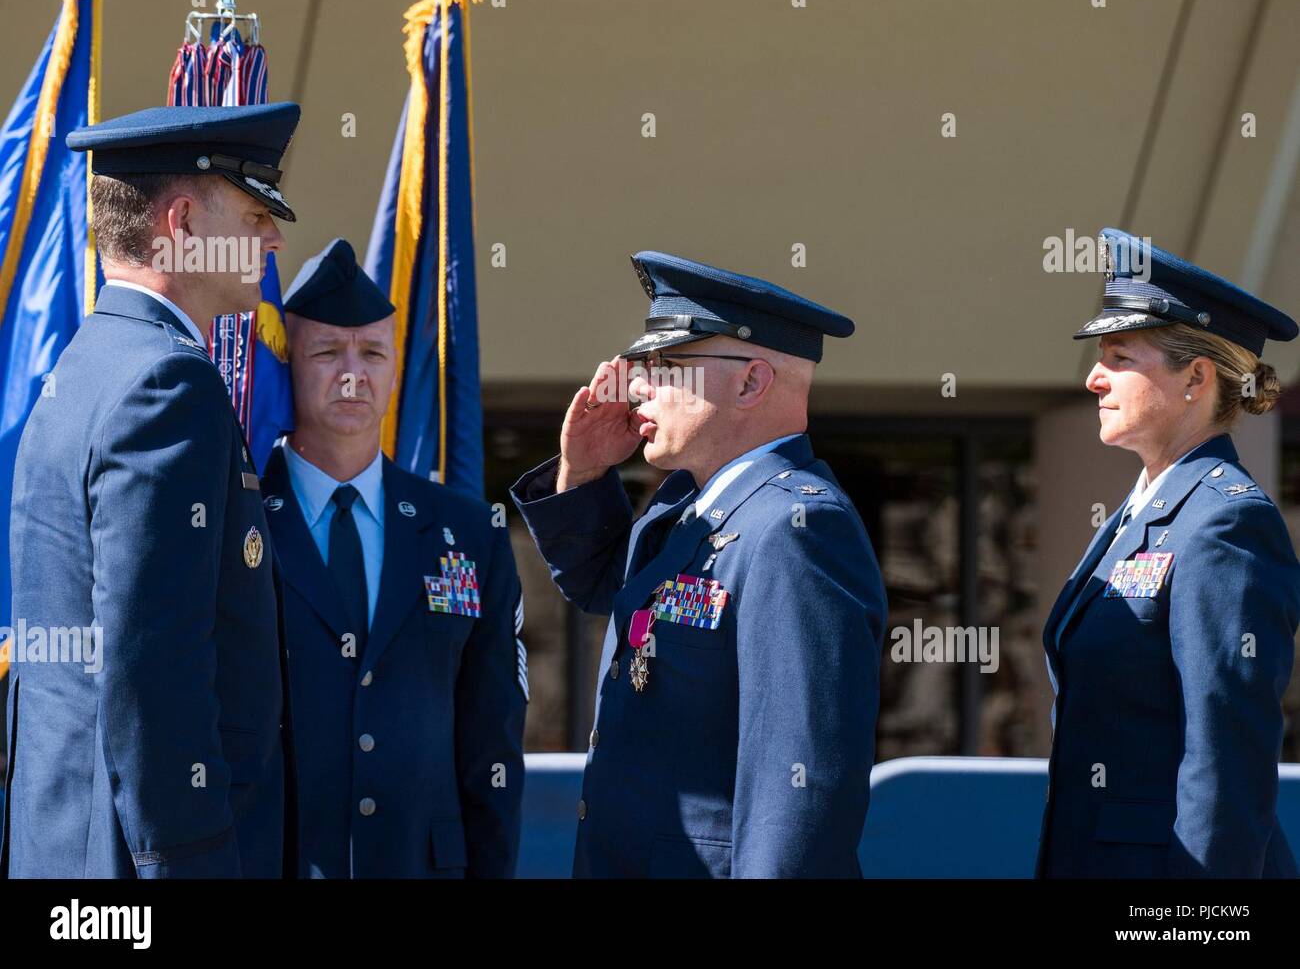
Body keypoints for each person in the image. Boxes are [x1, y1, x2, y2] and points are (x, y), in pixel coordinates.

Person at [510, 250, 887, 878]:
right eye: (643, 366)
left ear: (750, 382)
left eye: (669, 367)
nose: (637, 387)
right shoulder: (688, 504)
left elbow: (798, 782)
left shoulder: (797, 527)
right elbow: (608, 592)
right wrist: (584, 471)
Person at [2, 103, 301, 878]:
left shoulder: (79, 369)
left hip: (69, 845)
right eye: (252, 212)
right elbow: (149, 666)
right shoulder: (167, 382)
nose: (272, 239)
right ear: (183, 223)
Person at [1038, 227, 1300, 878]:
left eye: (1120, 356)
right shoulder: (1141, 515)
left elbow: (1226, 763)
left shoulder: (1225, 522)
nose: (1095, 378)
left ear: (1196, 377)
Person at [261, 238, 527, 878]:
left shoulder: (466, 531)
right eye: (326, 351)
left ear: (396, 368)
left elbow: (490, 739)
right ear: (287, 363)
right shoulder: (234, 520)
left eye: (373, 353)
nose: (353, 372)